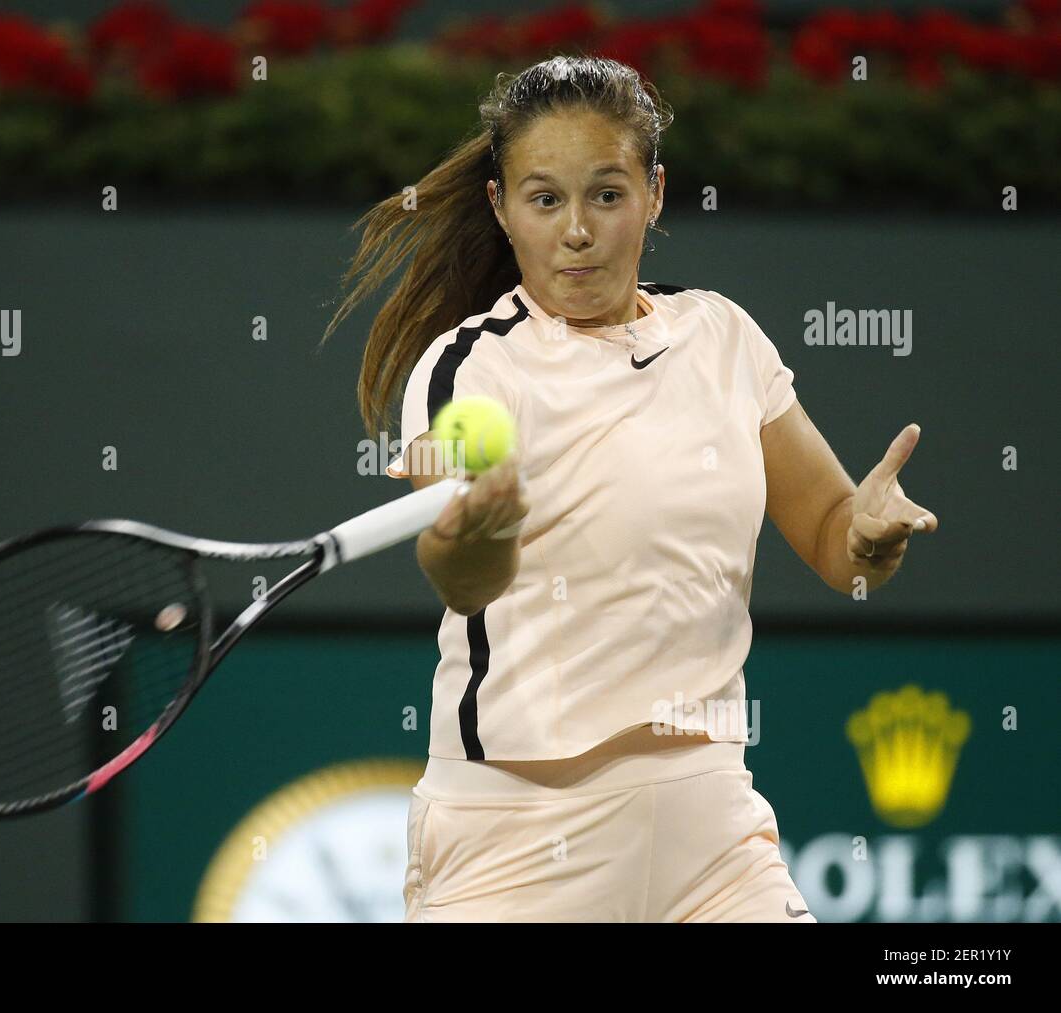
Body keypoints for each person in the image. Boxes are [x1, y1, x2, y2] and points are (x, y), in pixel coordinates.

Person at [321, 55, 937, 922]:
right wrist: (483, 533)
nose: (577, 231)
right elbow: (460, 577)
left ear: (653, 193)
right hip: (518, 836)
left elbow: (836, 539)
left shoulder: (722, 335)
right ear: (502, 208)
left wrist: (867, 533)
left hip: (711, 831)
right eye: (545, 200)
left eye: (606, 195)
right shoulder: (471, 368)